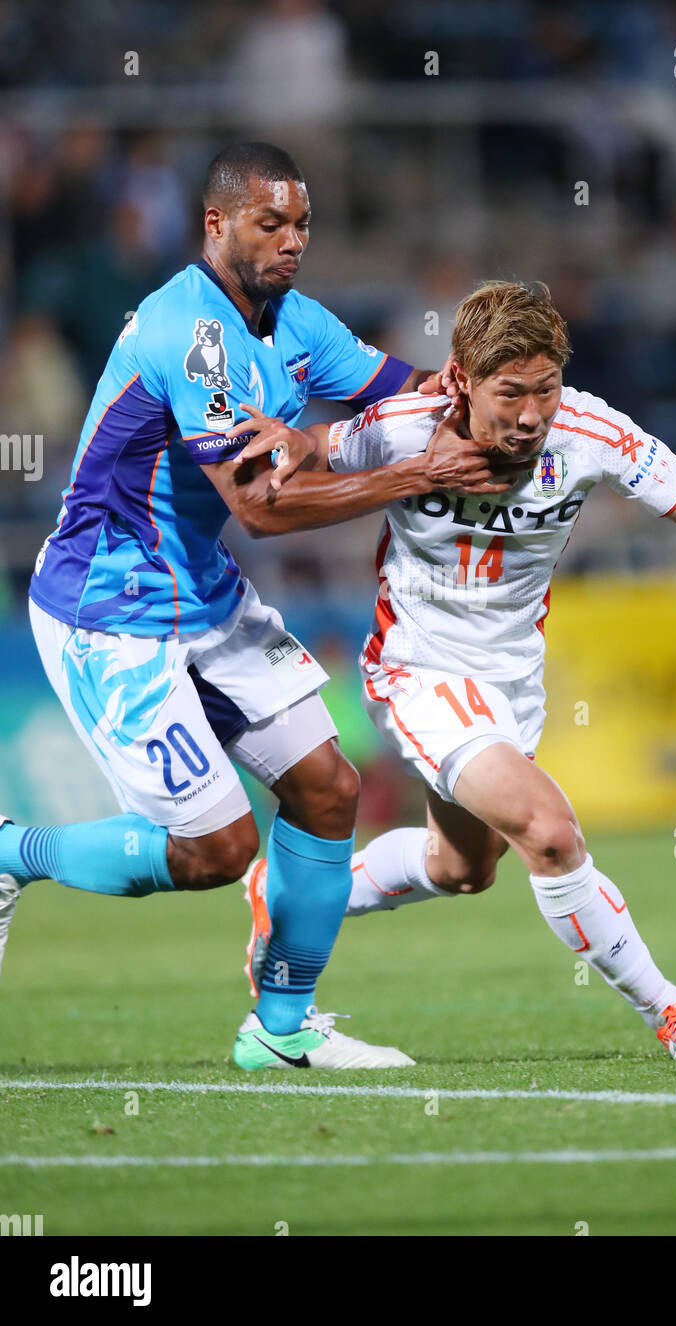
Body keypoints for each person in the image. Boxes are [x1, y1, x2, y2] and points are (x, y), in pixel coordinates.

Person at [0, 142, 510, 1072]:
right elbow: (262, 509)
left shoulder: (293, 319)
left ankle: (280, 1030)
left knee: (329, 789)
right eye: (270, 223)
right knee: (217, 849)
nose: (290, 241)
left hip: (201, 594)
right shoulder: (187, 334)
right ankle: (13, 851)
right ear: (216, 224)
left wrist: (501, 403)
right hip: (108, 608)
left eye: (302, 224)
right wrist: (415, 472)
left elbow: (406, 391)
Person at [240, 280, 676, 1062]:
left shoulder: (590, 432)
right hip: (417, 670)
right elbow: (319, 449)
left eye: (544, 390)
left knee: (459, 869)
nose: (529, 415)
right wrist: (290, 442)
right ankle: (671, 1013)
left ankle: (282, 896)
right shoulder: (404, 427)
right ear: (460, 378)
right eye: (509, 393)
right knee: (549, 833)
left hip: (514, 681)